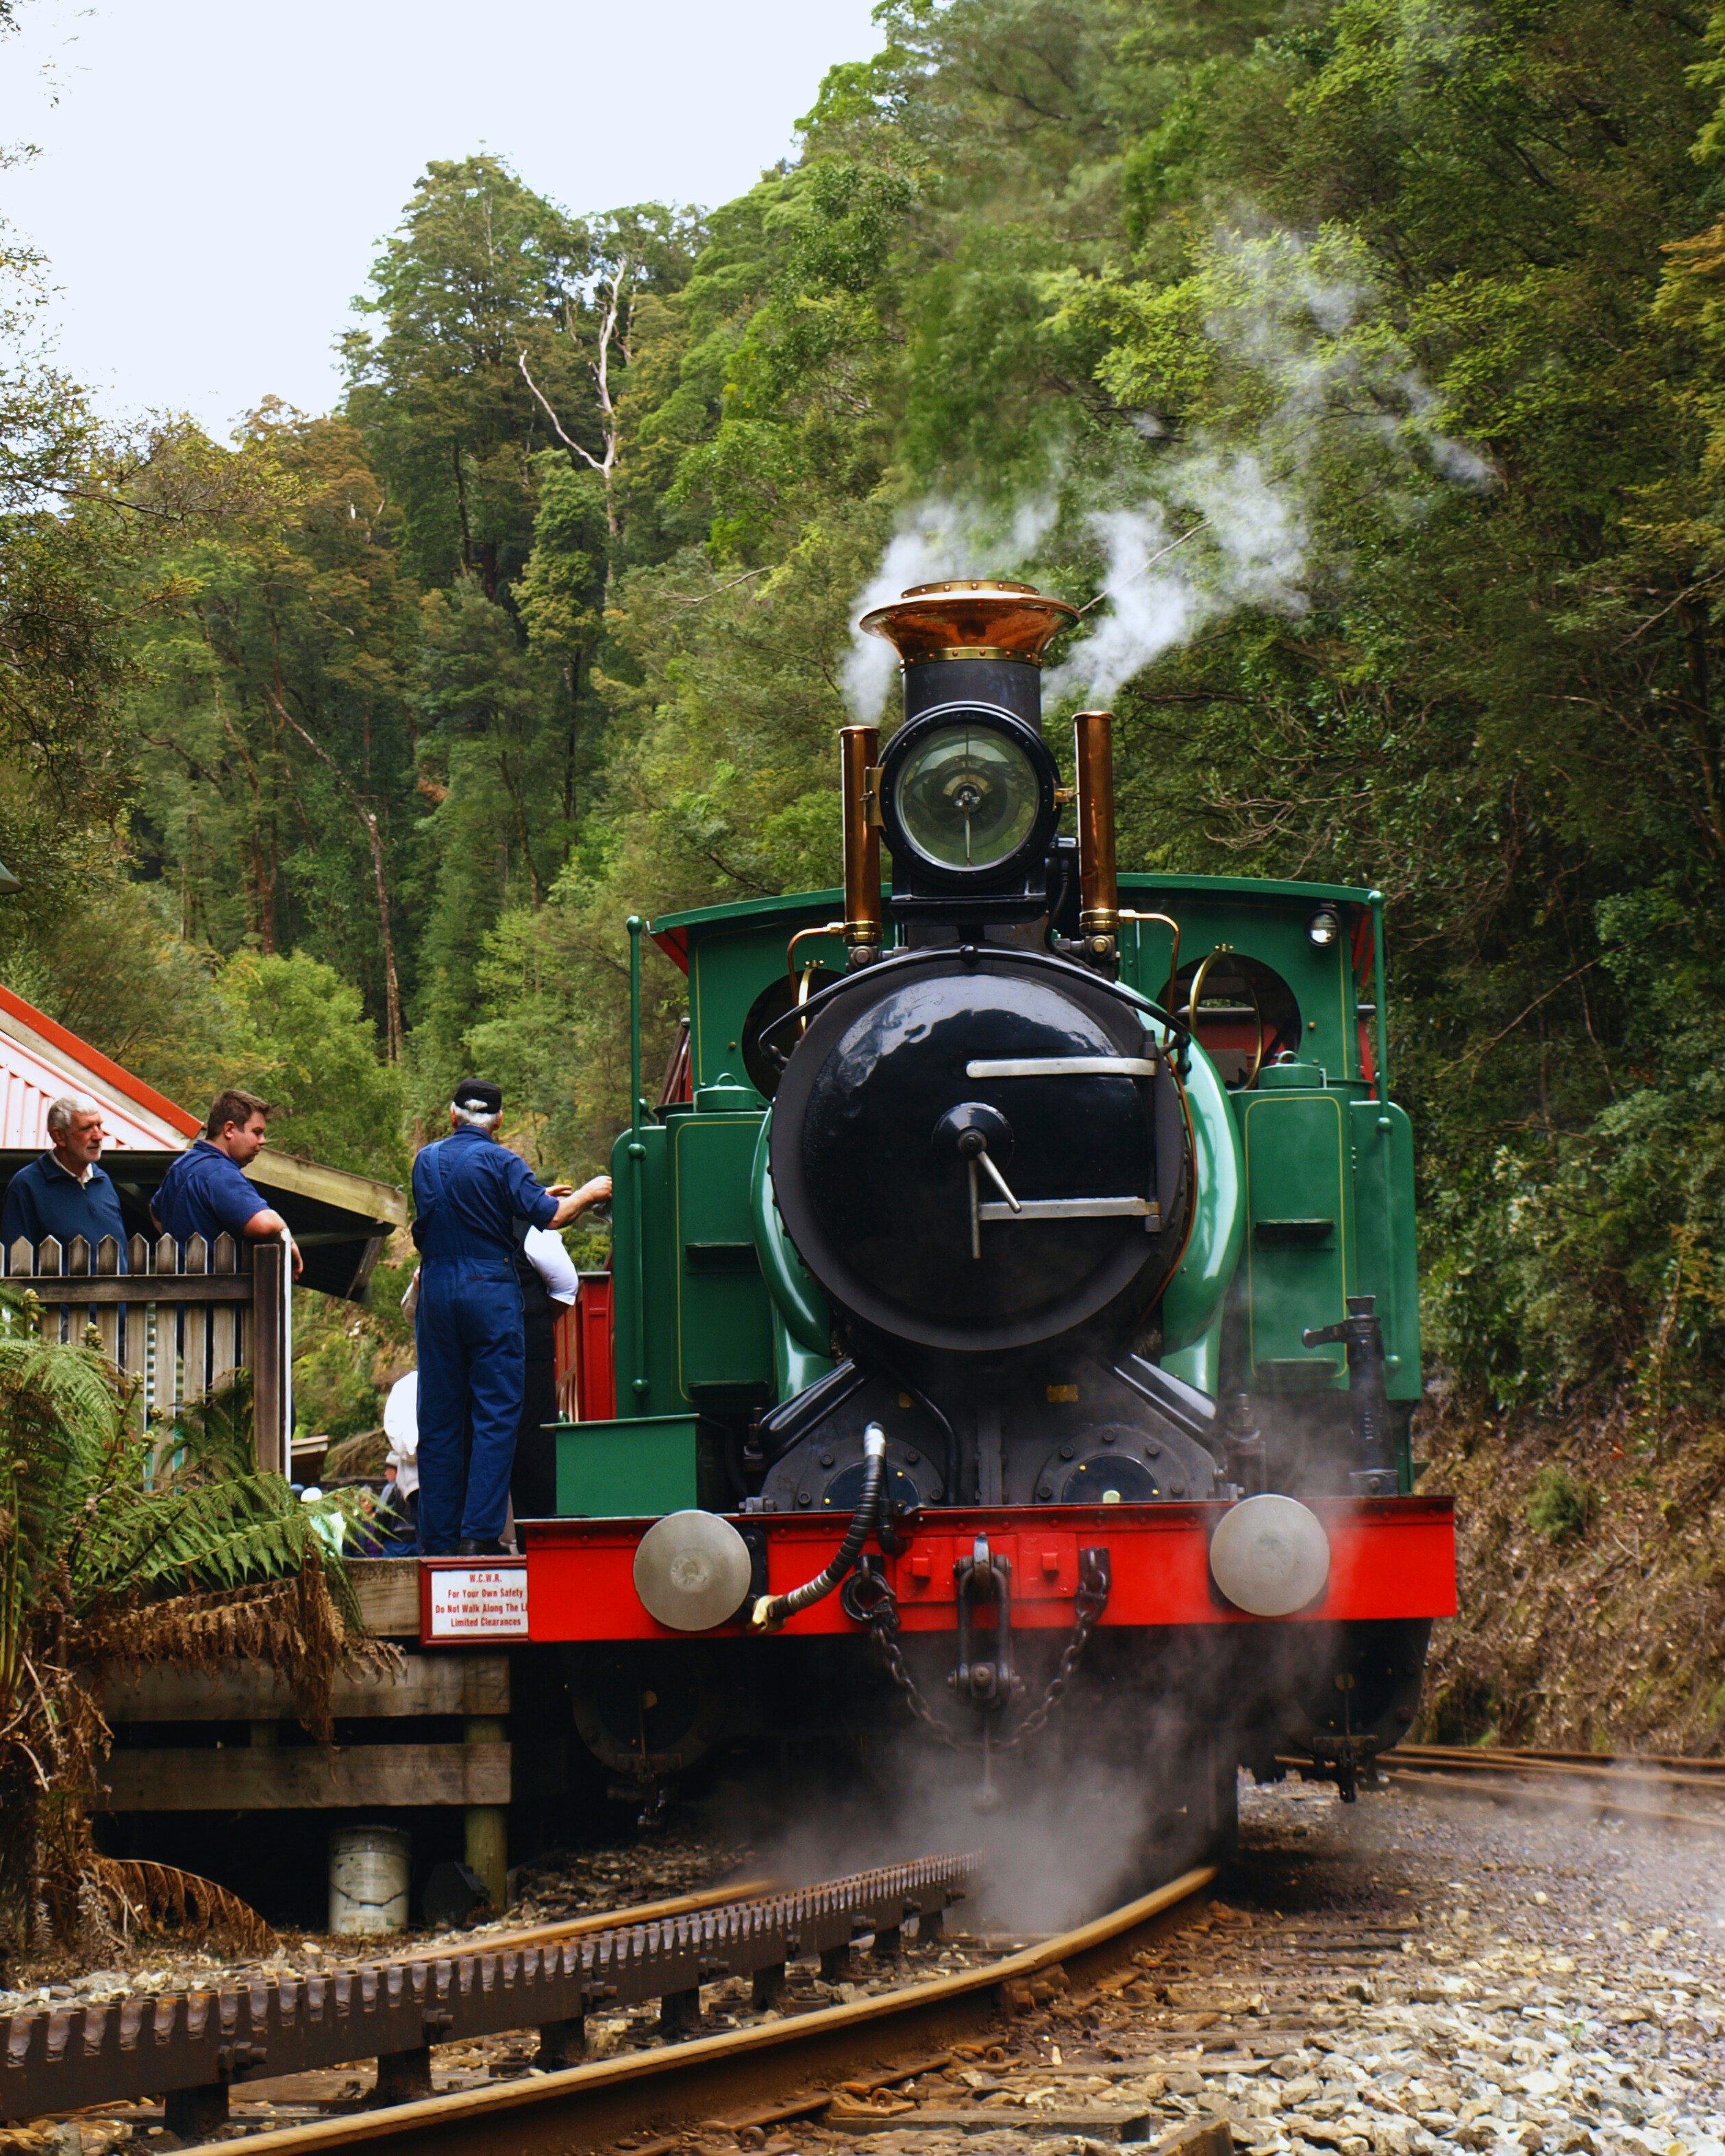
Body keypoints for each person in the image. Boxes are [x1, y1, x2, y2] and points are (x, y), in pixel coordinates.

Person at [412, 1079, 609, 1556]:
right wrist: (585, 1193)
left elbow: (462, 1204)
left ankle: (437, 1540)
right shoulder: (503, 1163)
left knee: (439, 1417)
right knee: (497, 1414)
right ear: (499, 1120)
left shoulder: (426, 1161)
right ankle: (479, 1534)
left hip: (437, 1290)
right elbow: (552, 1217)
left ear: (452, 1114)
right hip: (489, 1290)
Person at [151, 1089, 303, 1276]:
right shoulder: (220, 1173)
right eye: (257, 1132)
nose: (263, 1141)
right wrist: (289, 1240)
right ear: (230, 1130)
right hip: (217, 1299)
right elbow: (265, 1224)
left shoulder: (182, 1165)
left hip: (179, 1296)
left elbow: (155, 1212)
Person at [0, 1094, 129, 1264]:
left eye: (99, 1125)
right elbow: (15, 1261)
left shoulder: (102, 1181)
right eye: (86, 1128)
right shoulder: (27, 1185)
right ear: (59, 1136)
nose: (98, 1136)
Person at [510, 1220, 580, 1522]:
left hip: (527, 1352)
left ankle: (535, 1529)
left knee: (532, 1441)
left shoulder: (531, 1231)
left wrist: (530, 1327)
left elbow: (566, 1286)